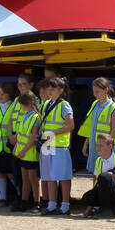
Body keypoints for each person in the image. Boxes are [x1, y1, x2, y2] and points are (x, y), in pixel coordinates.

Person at [38, 77, 75, 214]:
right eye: (48, 88)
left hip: (59, 145)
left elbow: (71, 125)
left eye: (52, 88)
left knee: (63, 176)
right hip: (47, 144)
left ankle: (65, 205)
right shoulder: (46, 103)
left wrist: (54, 133)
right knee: (49, 176)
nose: (49, 90)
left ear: (61, 90)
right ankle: (51, 205)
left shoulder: (64, 105)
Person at [81, 134, 115, 218]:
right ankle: (105, 210)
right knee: (87, 198)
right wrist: (88, 210)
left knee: (104, 177)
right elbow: (96, 185)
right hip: (105, 193)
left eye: (101, 145)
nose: (98, 148)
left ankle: (106, 210)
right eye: (97, 145)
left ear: (110, 147)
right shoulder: (98, 160)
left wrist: (113, 176)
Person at [78, 77, 115, 174]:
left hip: (106, 147)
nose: (95, 94)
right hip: (94, 146)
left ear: (106, 90)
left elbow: (114, 129)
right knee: (95, 172)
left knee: (106, 174)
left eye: (97, 91)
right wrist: (86, 144)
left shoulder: (113, 107)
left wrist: (108, 145)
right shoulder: (94, 104)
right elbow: (90, 126)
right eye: (94, 92)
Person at [9, 90, 42, 212]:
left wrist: (23, 150)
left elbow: (34, 137)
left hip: (30, 152)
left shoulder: (36, 117)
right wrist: (17, 148)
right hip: (23, 152)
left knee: (33, 179)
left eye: (22, 104)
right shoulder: (25, 115)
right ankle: (24, 201)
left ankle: (36, 202)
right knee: (25, 179)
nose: (20, 106)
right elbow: (21, 134)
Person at [8, 71, 36, 202]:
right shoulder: (16, 100)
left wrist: (18, 139)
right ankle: (21, 198)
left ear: (31, 85)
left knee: (31, 177)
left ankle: (32, 201)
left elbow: (33, 131)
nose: (20, 87)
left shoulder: (34, 102)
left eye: (23, 84)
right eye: (19, 85)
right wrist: (10, 135)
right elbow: (11, 119)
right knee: (18, 175)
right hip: (16, 141)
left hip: (26, 145)